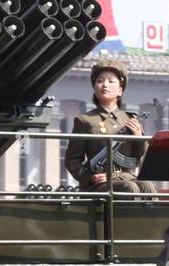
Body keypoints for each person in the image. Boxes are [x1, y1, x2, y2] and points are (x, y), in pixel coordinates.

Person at [64, 61, 158, 194]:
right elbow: (72, 160)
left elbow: (140, 155)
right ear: (95, 89)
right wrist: (89, 178)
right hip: (100, 181)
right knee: (129, 188)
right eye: (100, 81)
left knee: (148, 186)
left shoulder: (131, 119)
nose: (105, 85)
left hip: (126, 176)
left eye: (111, 81)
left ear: (120, 90)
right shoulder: (85, 120)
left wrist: (138, 137)